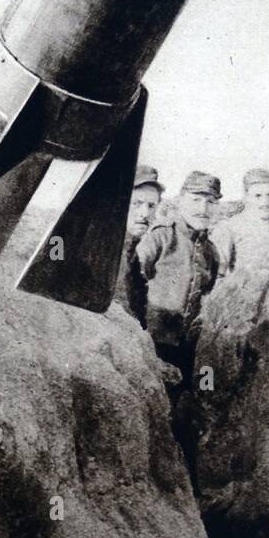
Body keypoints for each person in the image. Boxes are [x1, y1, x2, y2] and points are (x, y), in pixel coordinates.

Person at [136, 170, 224, 388]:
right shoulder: (161, 236)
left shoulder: (210, 251)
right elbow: (133, 281)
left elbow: (208, 294)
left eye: (210, 202)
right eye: (196, 200)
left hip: (188, 347)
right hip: (152, 343)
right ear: (180, 200)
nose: (203, 209)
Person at [112, 165, 163, 325]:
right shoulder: (102, 249)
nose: (145, 213)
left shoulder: (134, 251)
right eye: (136, 203)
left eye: (151, 206)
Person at [216, 167, 269, 272]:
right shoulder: (230, 228)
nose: (265, 203)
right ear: (247, 197)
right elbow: (218, 273)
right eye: (258, 196)